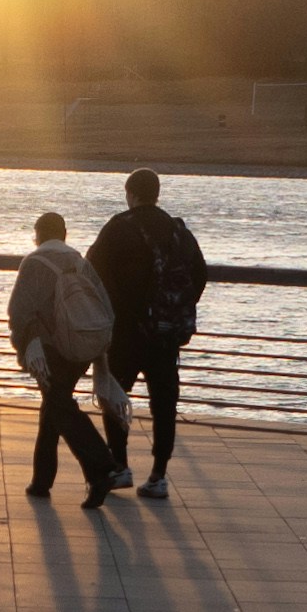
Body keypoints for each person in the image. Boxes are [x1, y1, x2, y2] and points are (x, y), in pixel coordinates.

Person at [88, 169, 212, 500]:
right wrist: (175, 307)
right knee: (164, 402)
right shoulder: (178, 231)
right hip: (166, 333)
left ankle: (120, 466)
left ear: (130, 193)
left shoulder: (119, 227)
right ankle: (158, 475)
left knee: (114, 396)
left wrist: (111, 311)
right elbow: (200, 273)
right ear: (157, 194)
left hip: (126, 331)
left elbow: (92, 270)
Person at [6, 211, 124, 507]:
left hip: (49, 351)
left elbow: (18, 311)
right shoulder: (80, 261)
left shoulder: (33, 262)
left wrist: (25, 348)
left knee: (60, 406)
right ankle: (41, 481)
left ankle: (102, 468)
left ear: (38, 235)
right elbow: (104, 306)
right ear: (65, 234)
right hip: (81, 348)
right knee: (54, 405)